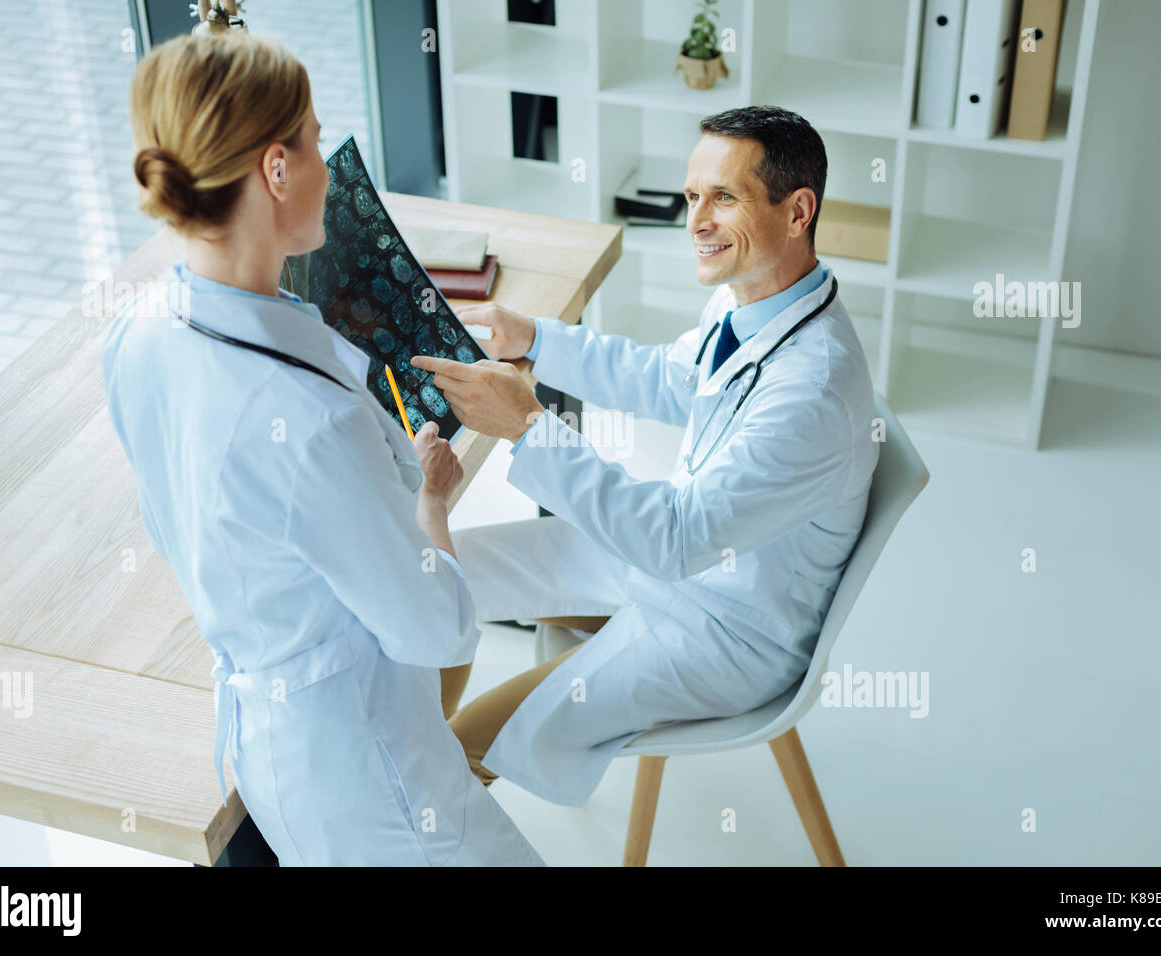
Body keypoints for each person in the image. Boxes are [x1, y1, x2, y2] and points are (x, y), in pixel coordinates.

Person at [102, 29, 542, 865]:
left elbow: (173, 523)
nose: (328, 168)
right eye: (311, 142)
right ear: (275, 170)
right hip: (371, 772)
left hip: (278, 756)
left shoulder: (134, 334)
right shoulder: (310, 426)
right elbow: (439, 631)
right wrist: (429, 504)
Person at [413, 105, 879, 806]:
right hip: (682, 561)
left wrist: (529, 425)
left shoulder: (812, 393)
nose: (695, 221)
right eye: (693, 196)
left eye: (724, 197)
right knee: (443, 576)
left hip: (725, 631)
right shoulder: (749, 300)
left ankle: (427, 771)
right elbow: (669, 378)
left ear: (797, 211)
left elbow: (673, 540)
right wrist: (533, 336)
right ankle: (406, 725)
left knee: (459, 751)